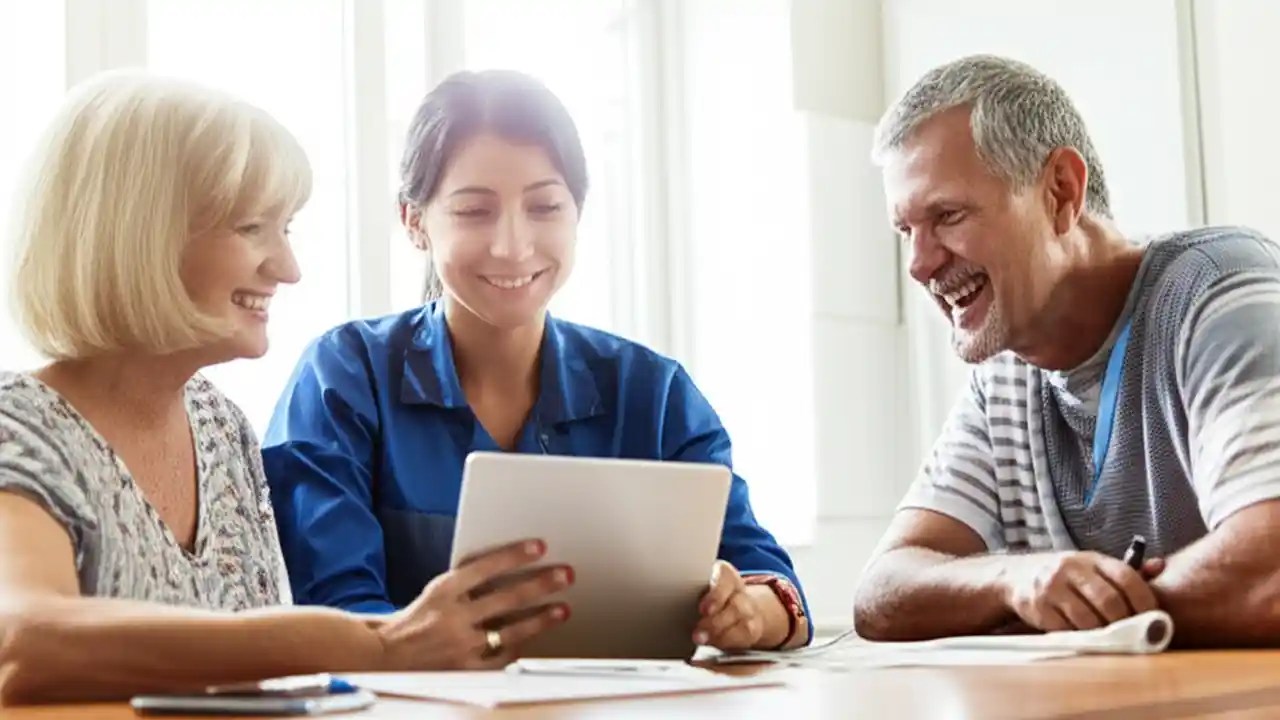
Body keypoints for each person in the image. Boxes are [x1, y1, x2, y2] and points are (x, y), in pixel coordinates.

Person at [0, 71, 570, 705]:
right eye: (251, 229)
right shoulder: (17, 426)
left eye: (286, 230)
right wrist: (381, 644)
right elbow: (20, 641)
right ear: (137, 235)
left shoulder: (219, 429)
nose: (288, 268)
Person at [261, 69, 810, 653]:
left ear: (578, 212)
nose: (513, 246)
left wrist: (748, 611)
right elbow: (332, 609)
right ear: (414, 221)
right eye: (475, 212)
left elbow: (771, 585)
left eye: (545, 207)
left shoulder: (653, 393)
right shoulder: (344, 377)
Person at [853, 54, 1280, 647]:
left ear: (1060, 192)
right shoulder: (1005, 372)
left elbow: (1271, 573)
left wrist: (1075, 613)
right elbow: (881, 593)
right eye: (906, 231)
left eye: (947, 216)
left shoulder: (1219, 294)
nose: (920, 265)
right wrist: (1015, 580)